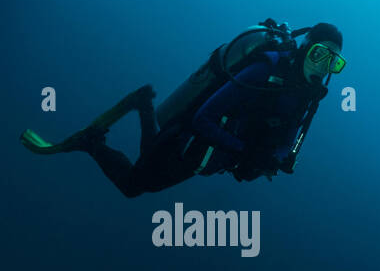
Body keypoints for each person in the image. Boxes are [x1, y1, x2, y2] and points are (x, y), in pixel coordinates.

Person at [30, 22, 344, 197]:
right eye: (320, 54)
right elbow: (203, 117)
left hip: (209, 156)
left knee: (144, 169)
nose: (323, 66)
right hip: (191, 144)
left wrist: (274, 159)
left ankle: (143, 102)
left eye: (333, 61)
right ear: (305, 47)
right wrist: (245, 152)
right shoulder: (264, 71)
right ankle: (91, 141)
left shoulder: (307, 95)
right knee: (134, 185)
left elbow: (289, 138)